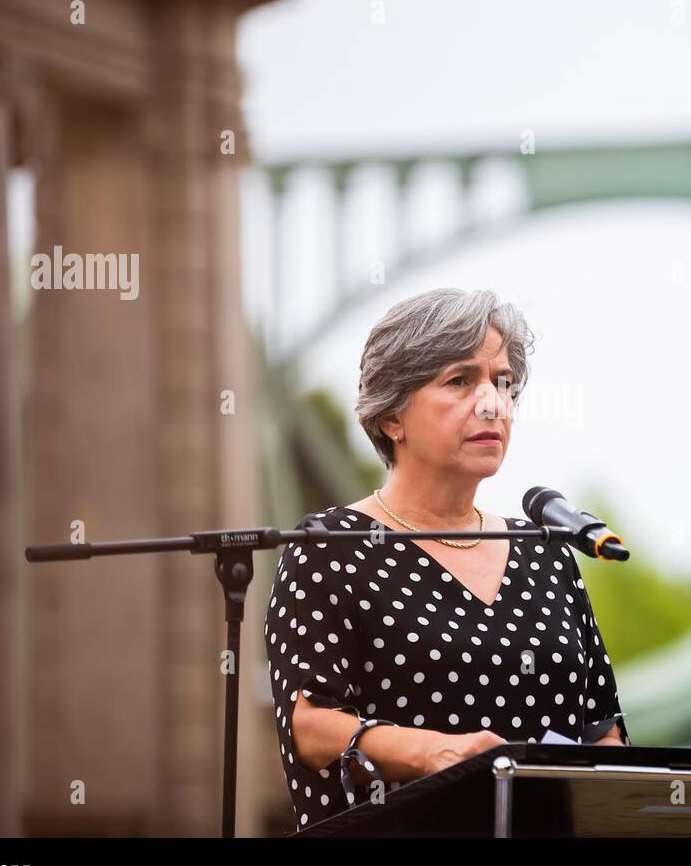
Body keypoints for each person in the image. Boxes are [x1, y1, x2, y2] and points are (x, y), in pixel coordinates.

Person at [264, 287, 629, 832]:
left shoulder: (544, 551)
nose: (492, 403)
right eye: (460, 381)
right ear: (392, 416)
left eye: (503, 383)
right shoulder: (331, 548)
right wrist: (437, 756)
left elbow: (604, 726)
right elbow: (311, 726)